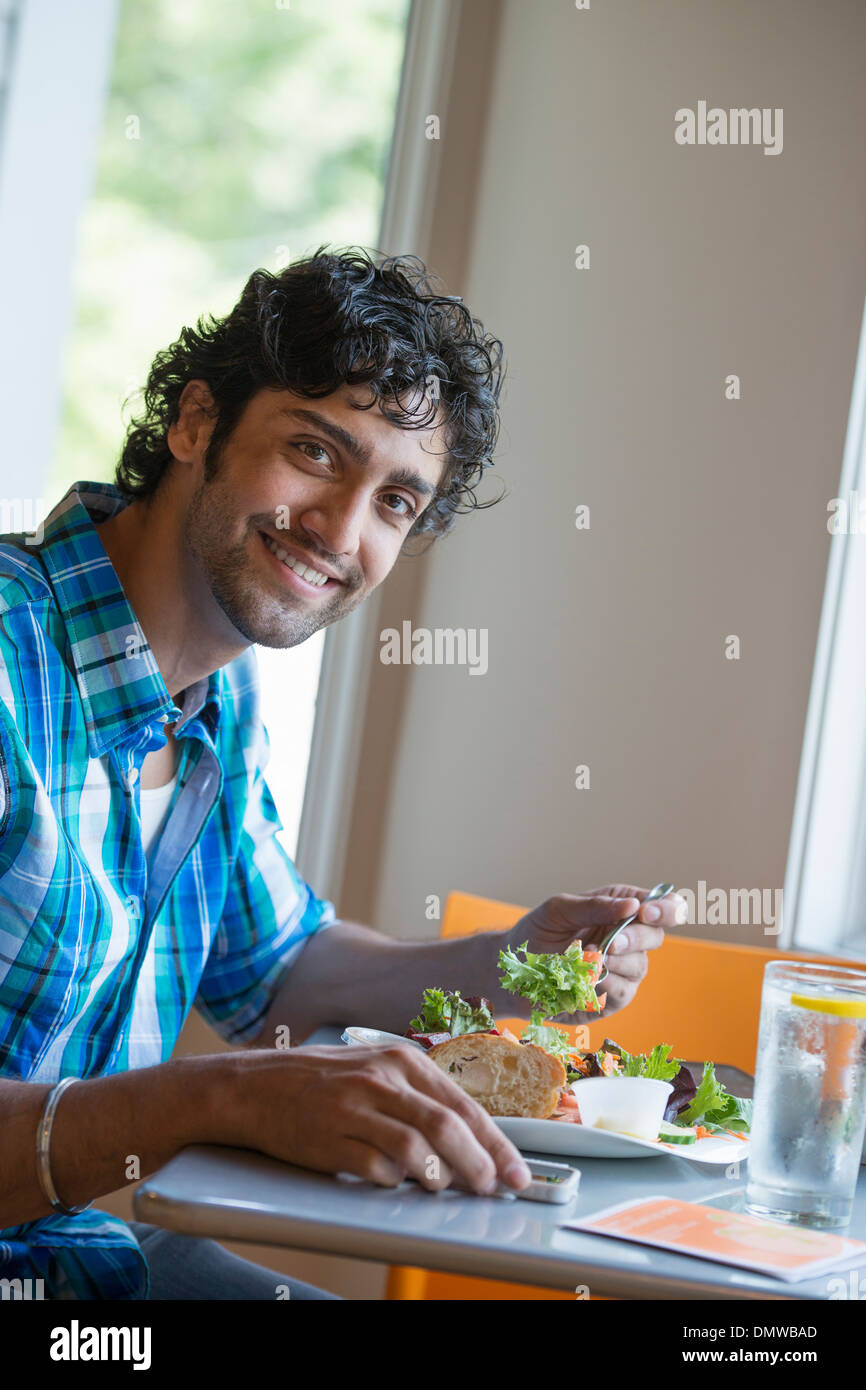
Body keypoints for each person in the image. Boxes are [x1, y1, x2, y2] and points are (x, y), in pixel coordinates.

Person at [0, 248, 680, 1300]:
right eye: (316, 452)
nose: (341, 531)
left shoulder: (213, 701)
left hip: (82, 1264)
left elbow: (279, 973)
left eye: (397, 503)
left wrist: (505, 961)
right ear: (194, 424)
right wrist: (215, 1098)